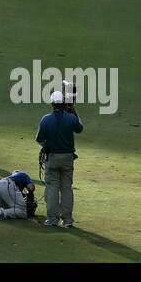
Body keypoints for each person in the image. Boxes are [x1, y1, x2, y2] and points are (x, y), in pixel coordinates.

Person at [36, 89, 83, 227]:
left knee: (52, 188)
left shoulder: (46, 119)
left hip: (52, 157)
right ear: (63, 103)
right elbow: (80, 129)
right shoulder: (71, 118)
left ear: (52, 104)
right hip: (68, 158)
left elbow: (39, 139)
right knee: (66, 188)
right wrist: (74, 110)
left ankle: (52, 219)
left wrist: (47, 145)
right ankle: (67, 220)